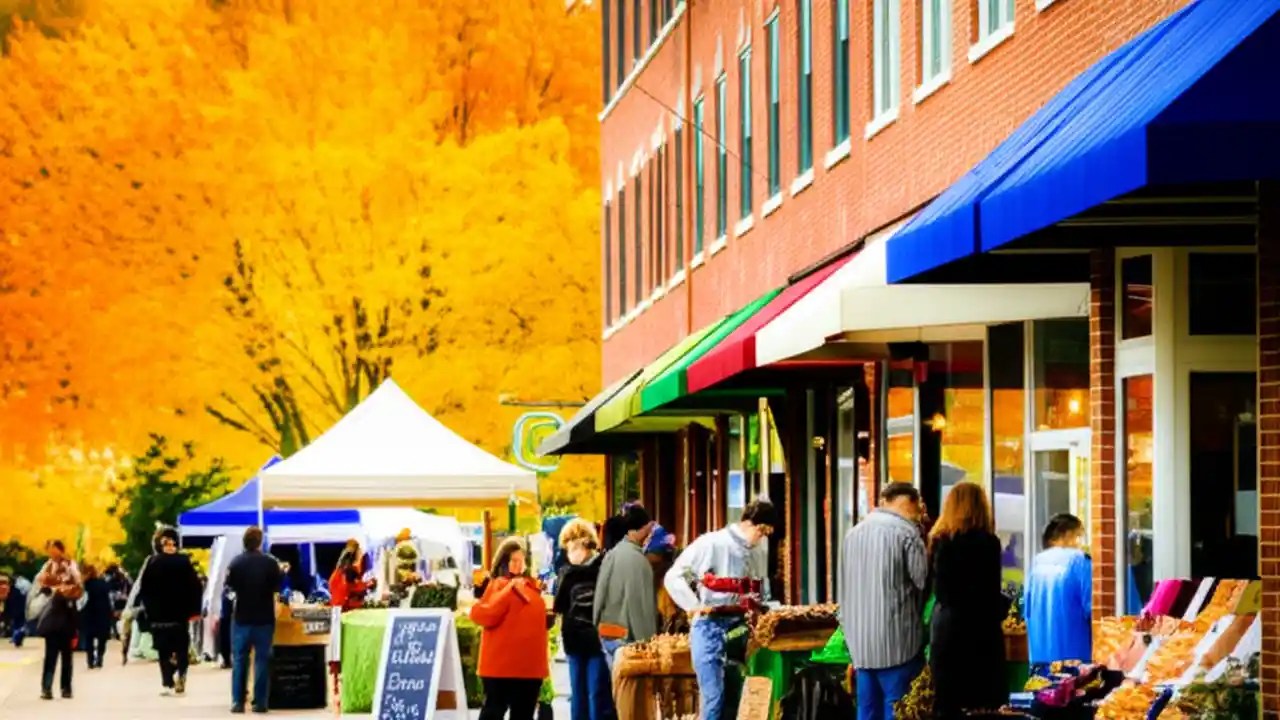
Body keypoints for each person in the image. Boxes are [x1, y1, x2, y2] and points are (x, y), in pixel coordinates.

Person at [664, 499, 776, 720]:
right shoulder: (711, 544)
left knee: (734, 697)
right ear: (752, 525)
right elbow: (673, 576)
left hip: (738, 629)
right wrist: (695, 606)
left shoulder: (753, 551)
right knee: (714, 697)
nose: (761, 538)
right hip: (709, 626)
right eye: (762, 532)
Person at [839, 483, 928, 720]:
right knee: (898, 710)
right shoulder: (908, 533)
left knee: (866, 711)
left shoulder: (852, 534)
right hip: (898, 644)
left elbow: (844, 587)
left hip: (861, 646)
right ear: (910, 502)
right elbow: (922, 580)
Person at [929, 482, 1007, 719]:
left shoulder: (941, 540)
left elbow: (941, 591)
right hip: (981, 631)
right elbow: (990, 592)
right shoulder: (988, 543)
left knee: (948, 701)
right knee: (982, 704)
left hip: (948, 629)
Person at [470, 538, 550, 720]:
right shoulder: (499, 586)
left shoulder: (532, 588)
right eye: (513, 560)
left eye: (521, 560)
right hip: (506, 670)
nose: (519, 565)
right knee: (499, 711)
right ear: (504, 562)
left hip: (523, 669)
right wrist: (510, 590)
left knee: (504, 712)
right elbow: (483, 615)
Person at [553, 519, 615, 720]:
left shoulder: (603, 568)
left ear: (587, 544)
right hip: (574, 642)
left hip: (598, 641)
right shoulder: (566, 572)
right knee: (578, 694)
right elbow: (559, 606)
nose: (570, 551)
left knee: (596, 693)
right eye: (568, 547)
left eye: (574, 545)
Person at [138, 527, 203, 696]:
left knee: (163, 651)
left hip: (159, 616)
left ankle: (167, 680)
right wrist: (194, 610)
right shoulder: (184, 561)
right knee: (182, 648)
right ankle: (181, 673)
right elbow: (195, 587)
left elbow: (144, 589)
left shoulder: (152, 562)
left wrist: (149, 611)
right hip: (180, 615)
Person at [225, 526, 283, 714]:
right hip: (264, 618)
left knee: (240, 660)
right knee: (262, 660)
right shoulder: (270, 563)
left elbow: (229, 590)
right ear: (260, 542)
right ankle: (260, 702)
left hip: (242, 617)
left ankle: (237, 701)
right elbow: (277, 591)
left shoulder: (235, 563)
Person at [593, 504, 657, 668]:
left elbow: (599, 594)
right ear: (641, 529)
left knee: (616, 689)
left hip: (606, 634)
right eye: (648, 530)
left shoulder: (612, 554)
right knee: (628, 692)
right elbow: (641, 606)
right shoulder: (639, 561)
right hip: (628, 639)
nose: (650, 535)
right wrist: (648, 643)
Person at [1025, 513, 1092, 665]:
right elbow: (1093, 609)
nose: (1080, 543)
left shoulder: (1036, 563)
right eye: (1078, 536)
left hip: (1039, 658)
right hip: (1074, 660)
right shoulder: (1080, 560)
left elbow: (1027, 609)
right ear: (1067, 535)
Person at [34, 539, 83, 700]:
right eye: (49, 550)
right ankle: (46, 688)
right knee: (50, 655)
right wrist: (53, 587)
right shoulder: (47, 566)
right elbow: (41, 584)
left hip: (67, 614)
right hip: (52, 616)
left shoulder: (70, 565)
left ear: (61, 550)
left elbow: (78, 585)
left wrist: (63, 589)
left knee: (67, 656)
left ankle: (66, 688)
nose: (52, 553)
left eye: (54, 549)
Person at [80, 564, 114, 670]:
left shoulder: (84, 585)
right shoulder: (103, 583)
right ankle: (100, 657)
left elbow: (81, 601)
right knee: (102, 638)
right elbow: (109, 598)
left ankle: (90, 659)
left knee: (89, 638)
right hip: (102, 613)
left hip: (89, 614)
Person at [328, 539, 375, 612]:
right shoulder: (349, 570)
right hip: (344, 608)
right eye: (360, 551)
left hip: (336, 606)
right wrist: (369, 584)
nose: (361, 554)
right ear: (356, 553)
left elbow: (331, 585)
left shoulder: (339, 570)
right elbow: (354, 586)